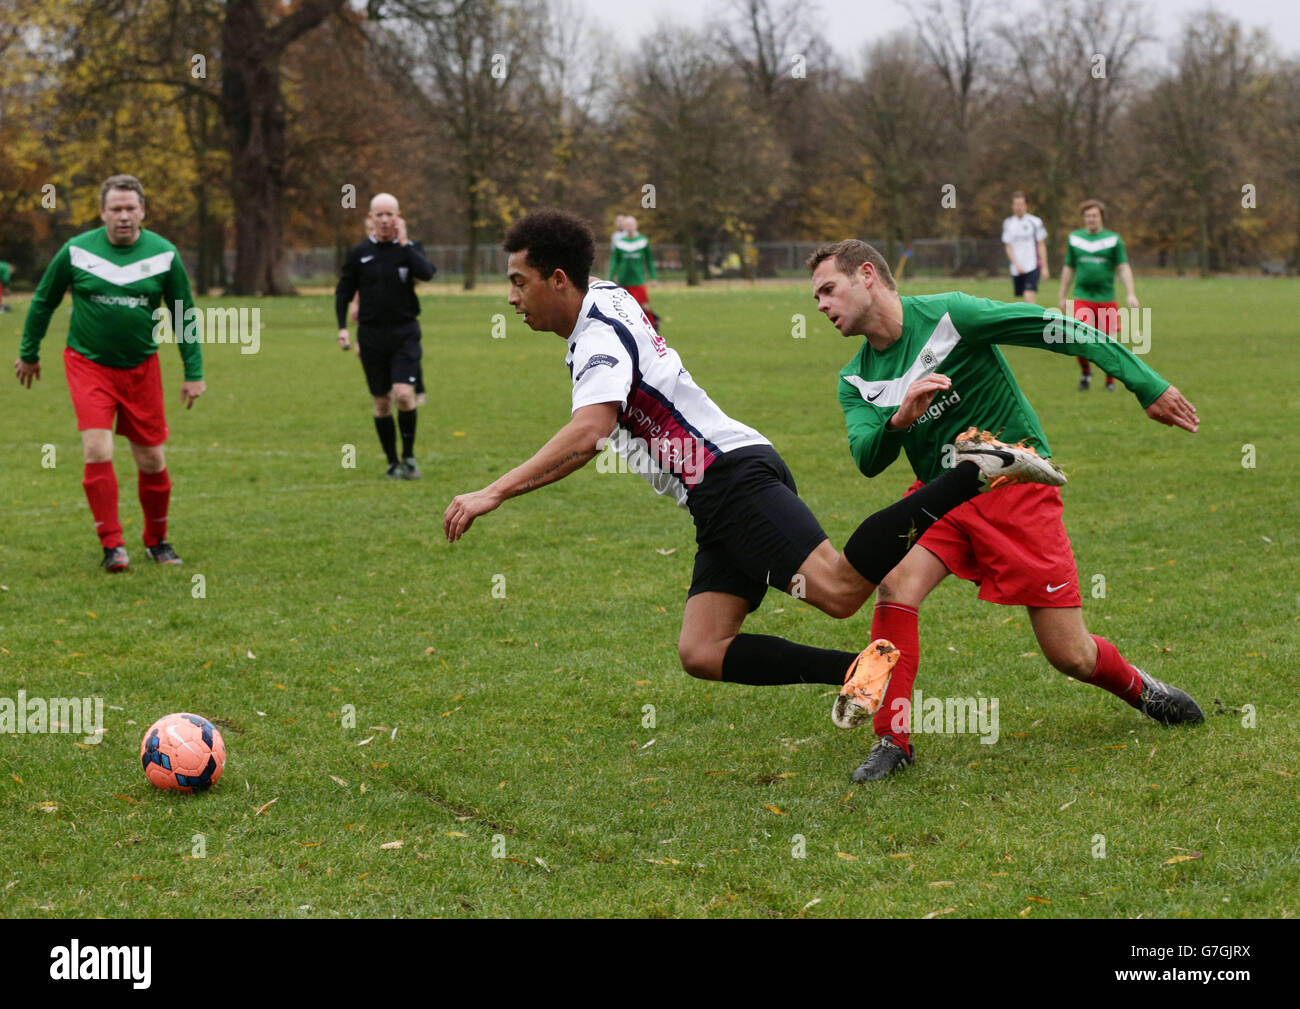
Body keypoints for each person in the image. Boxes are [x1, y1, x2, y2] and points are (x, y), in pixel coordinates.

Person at [444, 209, 1065, 730]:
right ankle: (854, 671)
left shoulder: (600, 337)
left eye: (519, 281)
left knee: (841, 590)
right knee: (702, 649)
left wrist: (492, 492)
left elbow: (588, 435)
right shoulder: (602, 295)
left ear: (557, 281)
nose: (510, 296)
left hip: (729, 476)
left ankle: (972, 471)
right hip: (711, 492)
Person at [808, 239, 1203, 782]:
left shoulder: (954, 314)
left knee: (1070, 656)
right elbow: (868, 459)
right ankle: (893, 742)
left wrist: (1146, 384)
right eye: (817, 298)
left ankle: (1142, 689)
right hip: (941, 495)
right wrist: (900, 419)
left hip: (1018, 484)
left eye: (829, 289)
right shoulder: (855, 379)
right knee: (896, 585)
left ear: (868, 275)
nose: (822, 305)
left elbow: (1058, 327)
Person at [15, 174, 204, 572]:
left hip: (141, 368)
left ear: (143, 211)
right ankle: (113, 546)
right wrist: (29, 353)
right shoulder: (76, 251)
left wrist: (193, 371)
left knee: (151, 459)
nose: (123, 216)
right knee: (97, 449)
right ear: (102, 212)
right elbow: (43, 301)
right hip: (88, 364)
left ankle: (157, 541)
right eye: (115, 209)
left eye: (130, 208)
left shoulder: (165, 255)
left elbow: (183, 314)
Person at [335, 193, 435, 479]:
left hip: (405, 332)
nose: (384, 219)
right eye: (379, 214)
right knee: (381, 402)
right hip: (370, 336)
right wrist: (342, 327)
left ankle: (409, 457)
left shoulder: (411, 248)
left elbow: (427, 273)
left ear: (399, 217)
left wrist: (404, 244)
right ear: (370, 219)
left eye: (390, 214)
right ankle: (392, 462)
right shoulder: (358, 253)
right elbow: (343, 292)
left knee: (404, 394)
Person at [1058, 199, 1140, 392]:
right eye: (1087, 216)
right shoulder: (1075, 239)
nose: (1091, 219)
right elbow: (1068, 268)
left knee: (1107, 340)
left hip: (1106, 298)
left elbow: (1123, 267)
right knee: (1078, 336)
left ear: (1101, 217)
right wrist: (1062, 295)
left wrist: (1131, 293)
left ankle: (1110, 381)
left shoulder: (1113, 240)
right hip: (1082, 296)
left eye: (1094, 215)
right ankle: (1086, 372)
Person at [608, 215, 659, 329]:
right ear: (624, 227)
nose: (629, 227)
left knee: (643, 305)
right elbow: (614, 261)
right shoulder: (620, 243)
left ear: (636, 225)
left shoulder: (643, 241)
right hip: (623, 280)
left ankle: (653, 326)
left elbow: (649, 260)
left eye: (631, 224)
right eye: (627, 225)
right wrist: (611, 276)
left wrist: (653, 278)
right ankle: (627, 328)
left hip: (638, 280)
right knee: (622, 306)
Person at [1001, 191, 1049, 303]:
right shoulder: (1008, 223)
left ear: (1026, 205)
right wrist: (1016, 264)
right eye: (1016, 204)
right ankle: (1028, 319)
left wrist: (1044, 266)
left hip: (1032, 265)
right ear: (1012, 206)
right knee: (1023, 299)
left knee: (1028, 295)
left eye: (1021, 204)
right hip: (1016, 268)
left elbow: (1041, 245)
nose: (1019, 207)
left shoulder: (1035, 222)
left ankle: (1033, 320)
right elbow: (1008, 246)